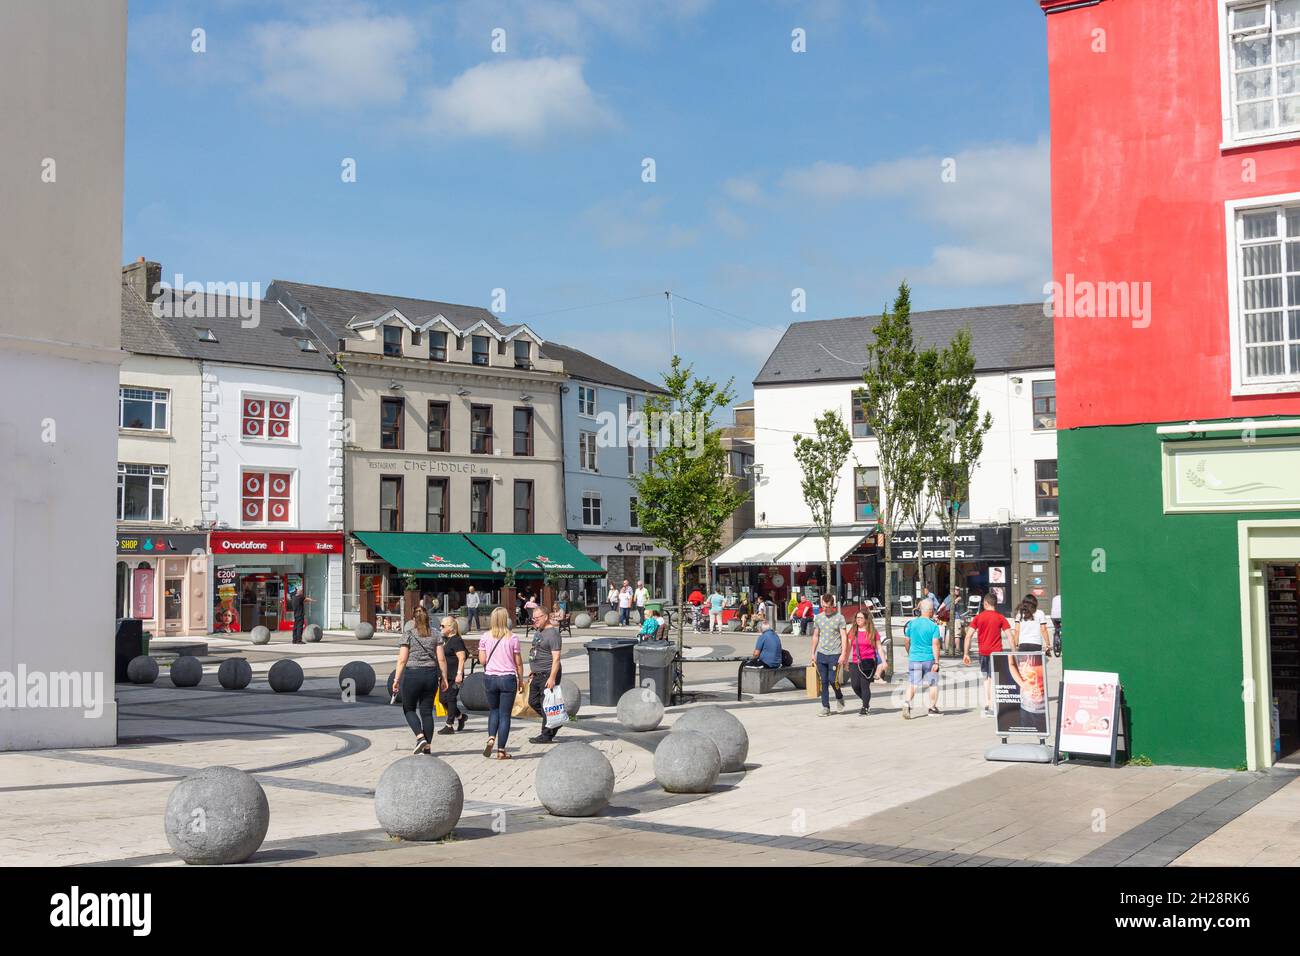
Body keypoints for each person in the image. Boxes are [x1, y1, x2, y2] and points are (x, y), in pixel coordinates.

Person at [393, 607, 449, 754]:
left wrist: (396, 679)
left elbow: (402, 659)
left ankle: (420, 736)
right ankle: (428, 747)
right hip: (430, 675)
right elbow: (441, 659)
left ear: (413, 620)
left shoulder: (409, 635)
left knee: (409, 708)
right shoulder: (436, 634)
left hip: (413, 675)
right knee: (426, 712)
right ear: (428, 619)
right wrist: (444, 678)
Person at [478, 607, 524, 759]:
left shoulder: (485, 636)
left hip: (490, 678)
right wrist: (521, 680)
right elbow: (518, 663)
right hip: (507, 679)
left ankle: (491, 736)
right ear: (506, 620)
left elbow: (482, 660)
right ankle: (501, 750)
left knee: (494, 711)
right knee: (505, 715)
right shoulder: (512, 638)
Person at [962, 594, 1011, 717]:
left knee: (986, 678)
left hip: (983, 652)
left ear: (985, 604)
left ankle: (988, 703)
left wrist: (966, 653)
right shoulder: (1001, 618)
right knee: (996, 678)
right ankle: (996, 703)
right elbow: (1010, 636)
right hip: (997, 653)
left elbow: (968, 636)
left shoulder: (978, 618)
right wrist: (1014, 653)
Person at [527, 607, 564, 744]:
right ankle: (555, 721)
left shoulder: (553, 634)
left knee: (546, 705)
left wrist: (552, 677)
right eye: (533, 618)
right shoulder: (539, 631)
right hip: (537, 673)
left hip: (548, 673)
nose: (534, 621)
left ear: (546, 617)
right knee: (533, 701)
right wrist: (533, 668)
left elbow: (556, 658)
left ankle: (546, 735)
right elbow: (536, 650)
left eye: (537, 618)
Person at [902, 599, 943, 719]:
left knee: (913, 683)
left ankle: (907, 702)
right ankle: (932, 708)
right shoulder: (933, 626)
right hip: (929, 658)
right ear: (930, 611)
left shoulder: (911, 624)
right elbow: (936, 644)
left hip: (914, 657)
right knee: (933, 684)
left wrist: (910, 653)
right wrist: (937, 661)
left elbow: (907, 641)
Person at [810, 594, 847, 716]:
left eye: (827, 607)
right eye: (823, 606)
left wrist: (843, 654)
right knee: (823, 681)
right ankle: (825, 707)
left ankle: (839, 696)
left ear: (833, 606)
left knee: (833, 680)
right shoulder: (818, 618)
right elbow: (816, 635)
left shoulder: (839, 618)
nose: (825, 609)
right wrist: (813, 653)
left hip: (835, 653)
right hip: (822, 653)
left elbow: (843, 636)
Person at [845, 610, 883, 715]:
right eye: (857, 618)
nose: (859, 620)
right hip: (855, 661)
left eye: (861, 618)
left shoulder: (872, 631)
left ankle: (865, 707)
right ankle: (866, 700)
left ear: (866, 619)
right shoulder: (853, 631)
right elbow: (848, 647)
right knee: (855, 685)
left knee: (864, 685)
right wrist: (845, 661)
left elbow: (879, 648)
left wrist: (883, 662)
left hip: (868, 662)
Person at [436, 615, 469, 735]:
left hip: (454, 675)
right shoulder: (446, 640)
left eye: (443, 626)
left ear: (450, 628)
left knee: (450, 699)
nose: (440, 628)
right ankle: (460, 717)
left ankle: (449, 725)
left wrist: (459, 674)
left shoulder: (456, 640)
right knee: (442, 699)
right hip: (445, 675)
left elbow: (462, 657)